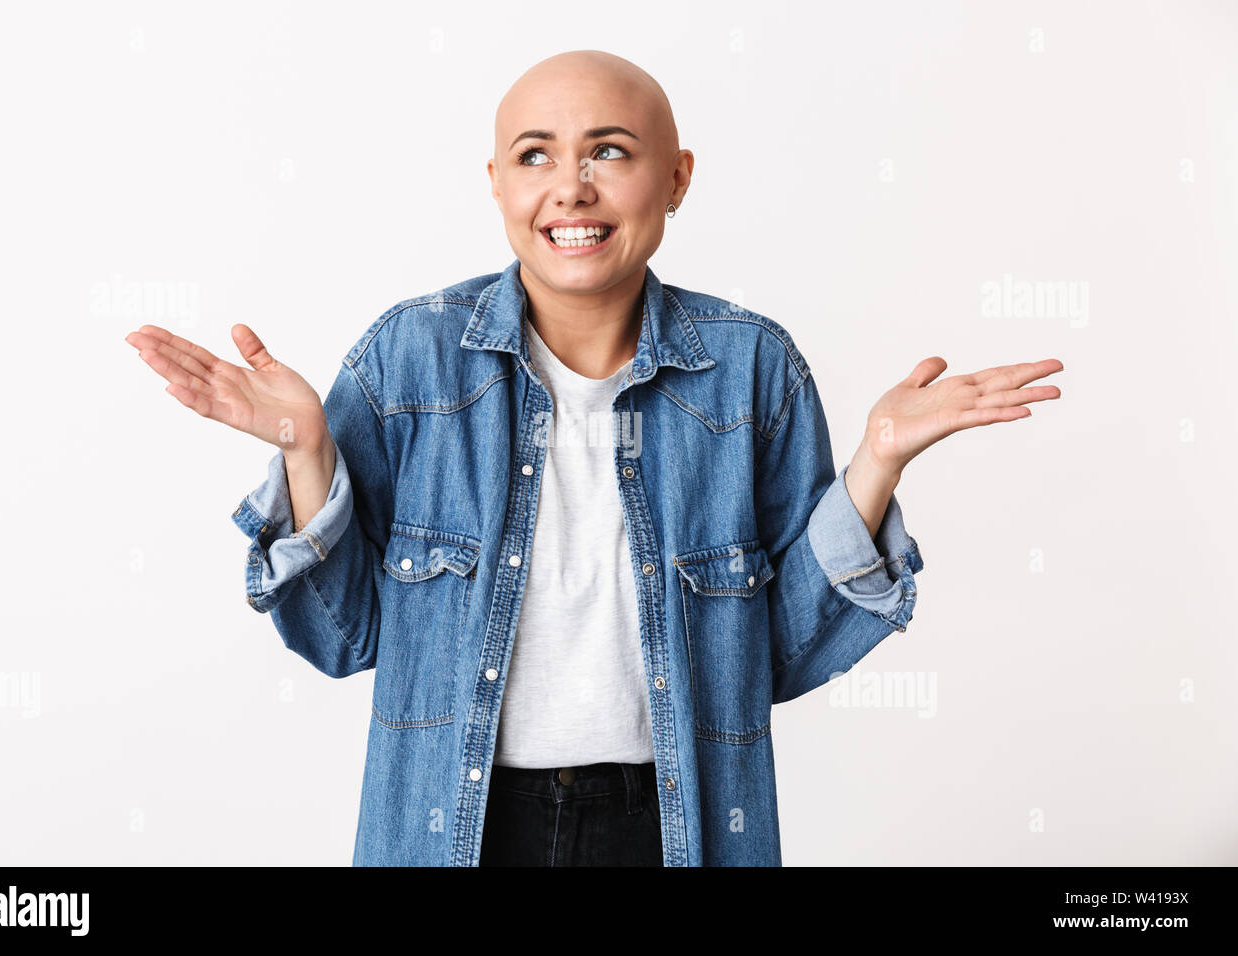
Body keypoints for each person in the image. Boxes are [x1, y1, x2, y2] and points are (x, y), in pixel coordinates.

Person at [124, 49, 1063, 866]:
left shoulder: (751, 370)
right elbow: (343, 638)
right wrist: (308, 452)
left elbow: (775, 655)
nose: (570, 188)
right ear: (496, 182)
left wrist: (876, 466)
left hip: (673, 825)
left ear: (678, 177)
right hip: (455, 825)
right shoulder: (406, 359)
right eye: (536, 157)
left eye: (609, 152)